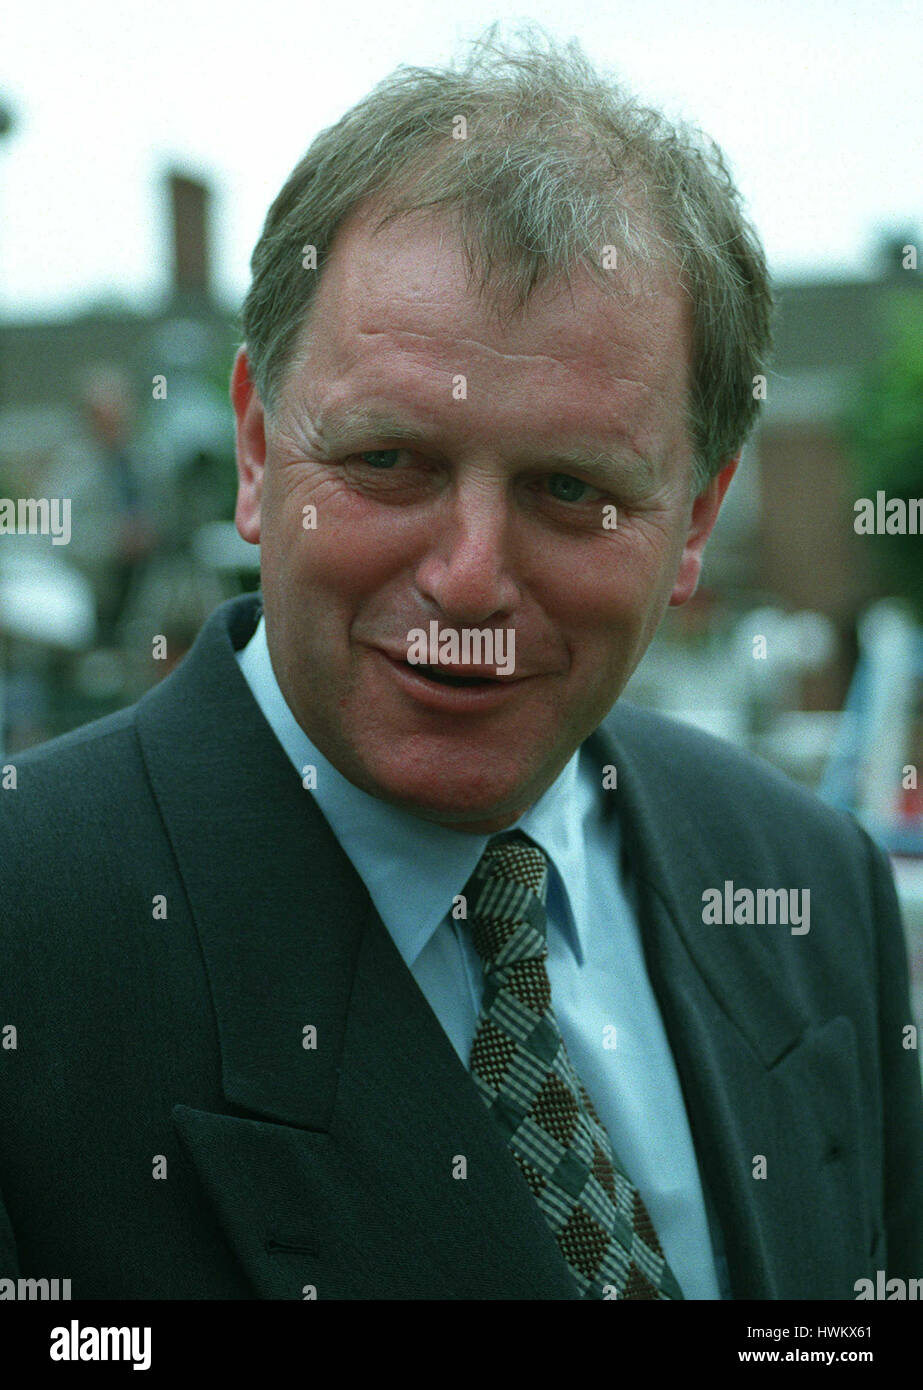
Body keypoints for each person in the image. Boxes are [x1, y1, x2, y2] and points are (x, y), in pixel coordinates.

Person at [1, 28, 920, 1301]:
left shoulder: (806, 883)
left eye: (567, 488)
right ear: (259, 447)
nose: (471, 573)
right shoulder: (30, 938)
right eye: (389, 462)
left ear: (696, 519)